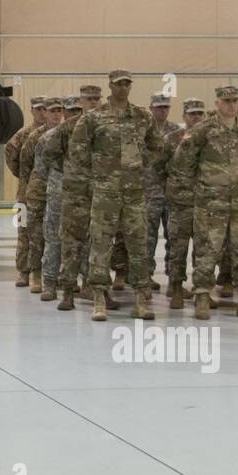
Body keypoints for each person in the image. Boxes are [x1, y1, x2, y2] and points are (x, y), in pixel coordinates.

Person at [68, 70, 165, 321]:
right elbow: (77, 151)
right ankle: (99, 296)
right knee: (100, 244)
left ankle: (141, 299)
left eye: (127, 84)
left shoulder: (142, 116)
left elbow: (157, 146)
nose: (123, 88)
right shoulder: (94, 117)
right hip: (105, 192)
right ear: (110, 86)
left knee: (138, 245)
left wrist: (141, 166)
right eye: (119, 84)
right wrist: (99, 173)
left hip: (134, 192)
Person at [171, 86, 238, 320]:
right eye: (227, 100)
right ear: (217, 102)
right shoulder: (203, 130)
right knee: (207, 250)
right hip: (211, 204)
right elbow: (182, 163)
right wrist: (201, 189)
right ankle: (202, 297)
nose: (232, 105)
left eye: (235, 101)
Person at [57, 84, 102, 308]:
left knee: (99, 243)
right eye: (88, 99)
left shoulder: (107, 126)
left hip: (101, 194)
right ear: (81, 101)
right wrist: (70, 174)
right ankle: (67, 291)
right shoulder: (68, 127)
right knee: (71, 244)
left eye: (96, 99)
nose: (93, 102)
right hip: (75, 194)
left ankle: (94, 287)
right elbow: (49, 155)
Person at [162, 97, 205, 309]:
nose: (196, 117)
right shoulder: (172, 139)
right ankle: (176, 288)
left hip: (205, 204)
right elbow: (158, 167)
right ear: (184, 117)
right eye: (192, 114)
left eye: (200, 113)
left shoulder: (210, 138)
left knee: (204, 251)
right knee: (178, 249)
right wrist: (170, 190)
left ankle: (202, 291)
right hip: (179, 204)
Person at [40, 97, 81, 303]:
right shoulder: (50, 136)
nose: (75, 115)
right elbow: (42, 165)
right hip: (58, 192)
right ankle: (49, 282)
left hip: (82, 195)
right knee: (53, 237)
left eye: (78, 111)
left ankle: (81, 284)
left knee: (83, 240)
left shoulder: (89, 135)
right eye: (71, 111)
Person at [23, 98, 64, 295]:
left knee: (59, 236)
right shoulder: (36, 137)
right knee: (37, 237)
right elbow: (25, 164)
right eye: (52, 111)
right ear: (44, 113)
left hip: (60, 193)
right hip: (39, 192)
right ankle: (36, 274)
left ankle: (60, 276)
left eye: (59, 110)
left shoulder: (66, 133)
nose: (56, 114)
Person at [145, 92, 180, 289]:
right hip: (149, 191)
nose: (162, 110)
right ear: (151, 108)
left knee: (173, 236)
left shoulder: (175, 131)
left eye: (165, 107)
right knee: (147, 237)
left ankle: (173, 279)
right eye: (158, 107)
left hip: (170, 192)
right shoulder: (142, 131)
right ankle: (146, 277)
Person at [14, 98, 49, 286]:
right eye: (39, 109)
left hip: (47, 192)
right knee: (24, 233)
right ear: (32, 111)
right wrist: (26, 179)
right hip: (24, 193)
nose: (43, 113)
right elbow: (13, 159)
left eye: (46, 109)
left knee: (46, 233)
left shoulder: (55, 132)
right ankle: (23, 272)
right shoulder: (23, 135)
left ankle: (45, 272)